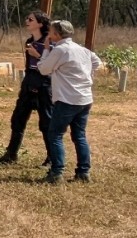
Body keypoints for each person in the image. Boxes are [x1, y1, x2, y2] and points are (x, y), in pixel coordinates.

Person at [36, 19, 102, 184]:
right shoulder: (82, 49)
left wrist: (45, 50)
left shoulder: (60, 50)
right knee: (79, 135)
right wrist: (83, 74)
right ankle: (83, 172)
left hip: (67, 99)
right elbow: (97, 63)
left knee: (55, 135)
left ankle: (56, 172)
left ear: (57, 34)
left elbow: (43, 69)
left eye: (50, 32)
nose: (48, 35)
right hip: (85, 98)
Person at [0, 10, 53, 166]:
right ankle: (11, 154)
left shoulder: (49, 42)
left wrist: (38, 55)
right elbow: (29, 65)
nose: (27, 21)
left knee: (46, 123)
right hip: (29, 83)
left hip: (45, 86)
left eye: (31, 19)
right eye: (27, 18)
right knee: (18, 119)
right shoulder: (29, 41)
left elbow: (52, 66)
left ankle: (52, 157)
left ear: (40, 23)